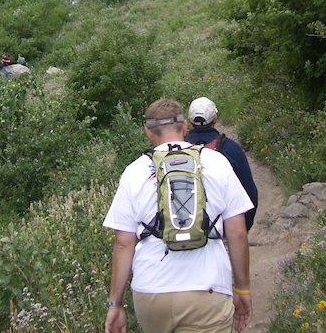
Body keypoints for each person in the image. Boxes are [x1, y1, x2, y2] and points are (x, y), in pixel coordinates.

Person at [103, 98, 253, 333]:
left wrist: (115, 303)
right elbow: (237, 232)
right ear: (184, 127)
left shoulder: (133, 172)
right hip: (207, 290)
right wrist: (242, 289)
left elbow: (123, 244)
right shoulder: (217, 162)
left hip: (151, 292)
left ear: (148, 132)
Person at [186, 97, 258, 232]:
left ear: (189, 121)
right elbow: (249, 193)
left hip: (182, 229)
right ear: (215, 119)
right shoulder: (230, 148)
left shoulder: (176, 150)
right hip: (222, 229)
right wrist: (242, 227)